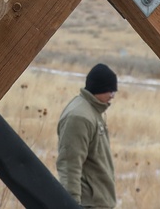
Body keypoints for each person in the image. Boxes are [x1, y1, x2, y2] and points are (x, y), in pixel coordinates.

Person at [56, 63, 118, 208]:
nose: (113, 96)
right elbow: (69, 164)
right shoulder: (79, 117)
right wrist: (71, 204)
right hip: (88, 204)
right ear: (98, 88)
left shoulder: (92, 111)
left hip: (97, 202)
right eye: (110, 90)